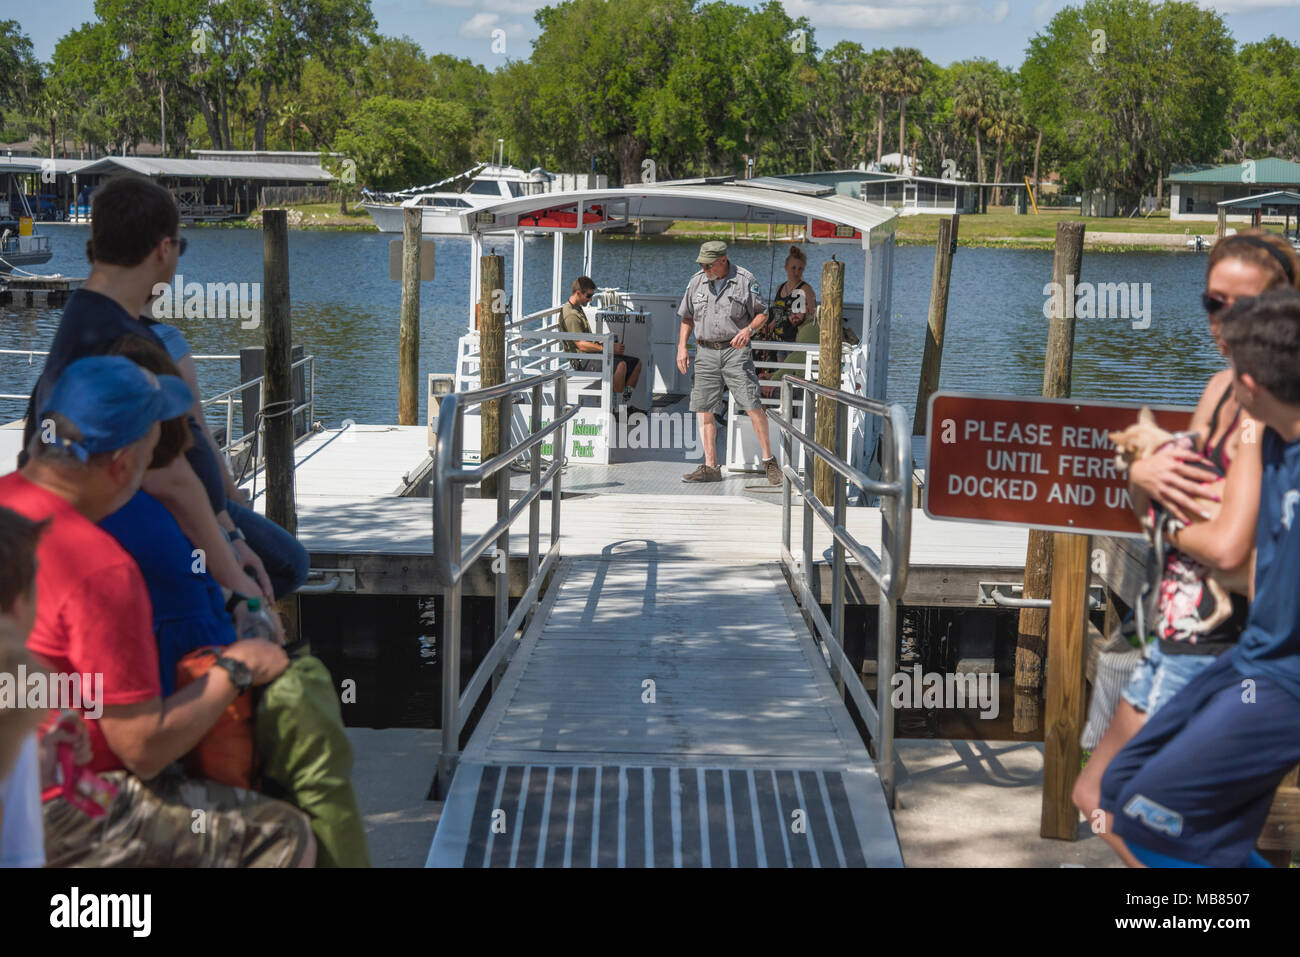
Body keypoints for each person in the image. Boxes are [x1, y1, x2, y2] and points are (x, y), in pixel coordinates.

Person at [0, 355, 314, 867]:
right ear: (123, 464)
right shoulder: (102, 569)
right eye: (151, 454)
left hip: (27, 766)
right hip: (61, 806)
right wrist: (238, 667)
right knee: (281, 834)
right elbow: (143, 748)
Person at [1074, 229, 1300, 864]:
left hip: (1225, 641)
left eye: (1243, 306)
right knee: (1104, 795)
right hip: (1172, 624)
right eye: (1212, 303)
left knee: (1125, 808)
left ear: (1280, 309)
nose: (1223, 321)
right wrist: (1139, 476)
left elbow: (1228, 548)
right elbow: (1153, 505)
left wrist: (1155, 501)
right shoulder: (1220, 389)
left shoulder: (1266, 409)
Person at [17, 173, 273, 605]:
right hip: (143, 537)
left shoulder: (87, 318)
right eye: (180, 246)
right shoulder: (118, 342)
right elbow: (168, 475)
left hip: (135, 524)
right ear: (163, 249)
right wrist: (232, 573)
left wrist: (227, 523)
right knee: (280, 567)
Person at [675, 241, 781, 484]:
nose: (704, 268)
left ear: (722, 260)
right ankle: (711, 467)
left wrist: (748, 331)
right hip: (705, 351)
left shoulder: (745, 280)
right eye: (701, 264)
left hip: (735, 351)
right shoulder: (696, 281)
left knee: (752, 404)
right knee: (704, 408)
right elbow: (687, 317)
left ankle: (769, 461)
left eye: (708, 264)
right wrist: (682, 347)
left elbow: (762, 313)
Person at [559, 276, 645, 412]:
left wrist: (604, 342)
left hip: (593, 355)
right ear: (578, 293)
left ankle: (625, 403)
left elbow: (585, 339)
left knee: (636, 364)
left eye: (592, 295)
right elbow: (580, 345)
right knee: (621, 366)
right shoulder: (571, 314)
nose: (590, 299)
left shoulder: (578, 308)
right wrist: (609, 348)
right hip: (582, 361)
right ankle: (616, 409)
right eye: (588, 296)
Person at [754, 245, 818, 398]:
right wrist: (770, 324)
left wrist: (781, 320)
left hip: (794, 340)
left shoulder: (804, 289)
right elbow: (777, 312)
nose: (796, 272)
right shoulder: (779, 288)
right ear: (786, 267)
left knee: (790, 379)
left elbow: (799, 318)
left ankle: (792, 413)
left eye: (800, 269)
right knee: (779, 377)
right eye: (793, 268)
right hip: (779, 339)